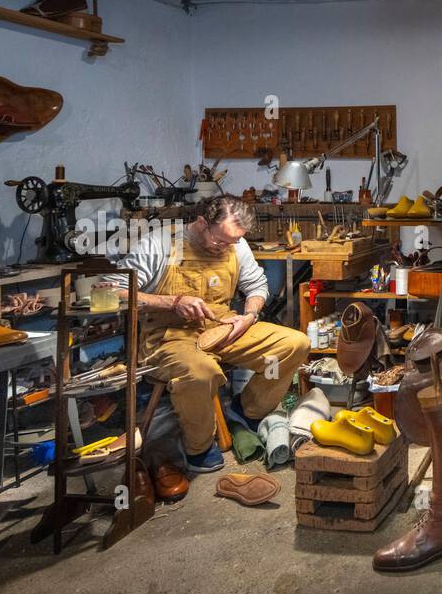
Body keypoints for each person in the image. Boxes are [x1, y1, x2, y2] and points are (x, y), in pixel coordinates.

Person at [104, 196, 310, 472]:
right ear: (202, 222)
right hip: (169, 335)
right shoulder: (161, 243)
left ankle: (248, 409)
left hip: (223, 327)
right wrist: (173, 302)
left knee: (295, 343)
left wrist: (249, 316)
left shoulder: (237, 245)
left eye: (233, 242)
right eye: (221, 241)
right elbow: (111, 291)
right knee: (201, 372)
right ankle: (198, 448)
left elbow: (257, 286)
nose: (226, 248)